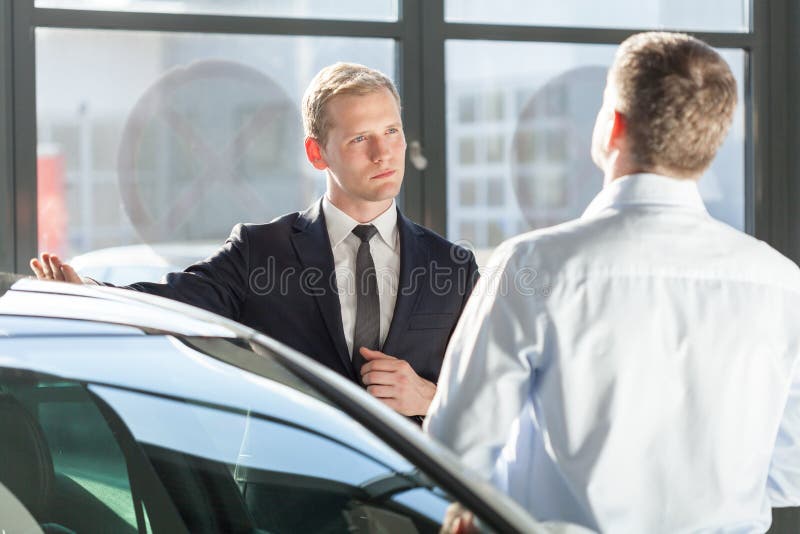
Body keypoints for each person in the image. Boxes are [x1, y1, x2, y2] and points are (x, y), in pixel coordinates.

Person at [425, 32, 800, 532]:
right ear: (708, 144)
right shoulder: (781, 283)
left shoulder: (531, 265)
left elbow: (455, 455)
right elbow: (788, 473)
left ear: (613, 126)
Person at [31, 62, 478, 419]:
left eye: (392, 132)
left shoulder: (454, 267)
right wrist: (87, 295)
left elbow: (492, 398)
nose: (383, 153)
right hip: (285, 497)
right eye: (360, 138)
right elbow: (171, 304)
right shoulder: (260, 250)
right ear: (316, 152)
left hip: (412, 506)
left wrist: (430, 398)